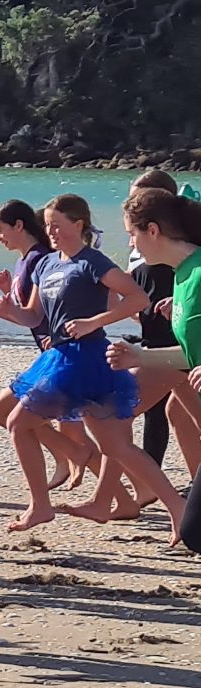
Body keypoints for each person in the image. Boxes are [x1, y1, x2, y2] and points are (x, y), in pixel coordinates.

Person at [0, 194, 182, 534]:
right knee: (116, 446)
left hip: (86, 359)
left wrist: (95, 321)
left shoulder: (92, 261)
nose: (51, 231)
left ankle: (40, 507)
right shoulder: (46, 264)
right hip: (60, 356)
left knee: (17, 422)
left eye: (57, 225)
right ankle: (179, 508)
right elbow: (34, 316)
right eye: (48, 225)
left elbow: (138, 299)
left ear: (78, 225)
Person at [0, 200, 98, 493]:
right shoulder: (26, 260)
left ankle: (125, 488)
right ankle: (116, 486)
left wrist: (57, 334)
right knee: (69, 429)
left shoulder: (40, 259)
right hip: (52, 354)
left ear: (19, 226)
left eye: (0, 230)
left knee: (69, 430)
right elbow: (29, 313)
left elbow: (60, 304)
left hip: (63, 354)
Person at [107, 187, 201, 551]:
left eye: (131, 233)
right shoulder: (181, 275)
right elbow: (190, 355)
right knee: (194, 532)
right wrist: (139, 357)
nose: (130, 243)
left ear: (153, 231)